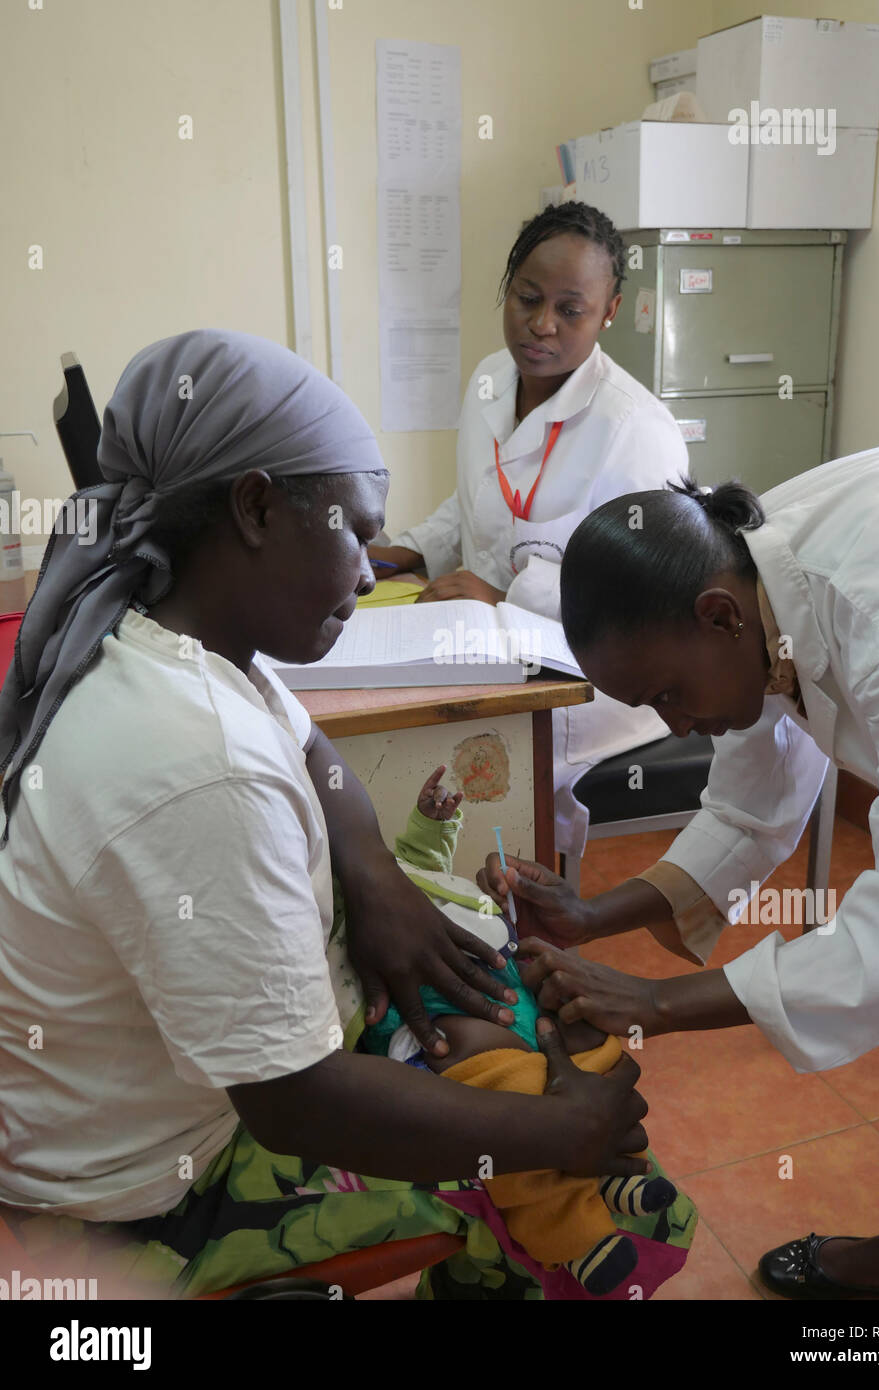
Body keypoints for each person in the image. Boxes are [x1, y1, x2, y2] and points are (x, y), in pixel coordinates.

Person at [0, 328, 695, 1301]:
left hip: (124, 1113)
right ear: (254, 506)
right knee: (600, 1191)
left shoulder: (169, 639)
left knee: (514, 1063)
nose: (372, 571)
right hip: (150, 1192)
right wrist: (559, 1131)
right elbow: (295, 1105)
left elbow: (312, 753)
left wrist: (374, 879)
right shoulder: (196, 754)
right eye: (353, 530)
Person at [478, 442, 879, 1300]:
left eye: (669, 693)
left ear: (716, 617)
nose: (679, 722)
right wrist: (594, 914)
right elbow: (753, 795)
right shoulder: (744, 582)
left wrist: (659, 1005)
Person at [368, 202, 689, 857]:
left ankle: (525, 927)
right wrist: (399, 550)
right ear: (506, 287)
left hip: (589, 668)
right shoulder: (490, 379)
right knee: (383, 721)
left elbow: (642, 597)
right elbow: (476, 507)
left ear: (609, 312)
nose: (541, 325)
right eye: (527, 298)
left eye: (570, 309)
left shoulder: (634, 430)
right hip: (486, 637)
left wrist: (503, 595)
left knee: (469, 767)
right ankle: (446, 903)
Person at [344, 763, 679, 1297]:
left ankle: (607, 1175)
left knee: (589, 1040)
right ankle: (572, 1232)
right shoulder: (327, 905)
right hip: (434, 1007)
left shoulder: (383, 866)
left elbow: (421, 864)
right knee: (518, 1099)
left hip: (501, 977)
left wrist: (430, 827)